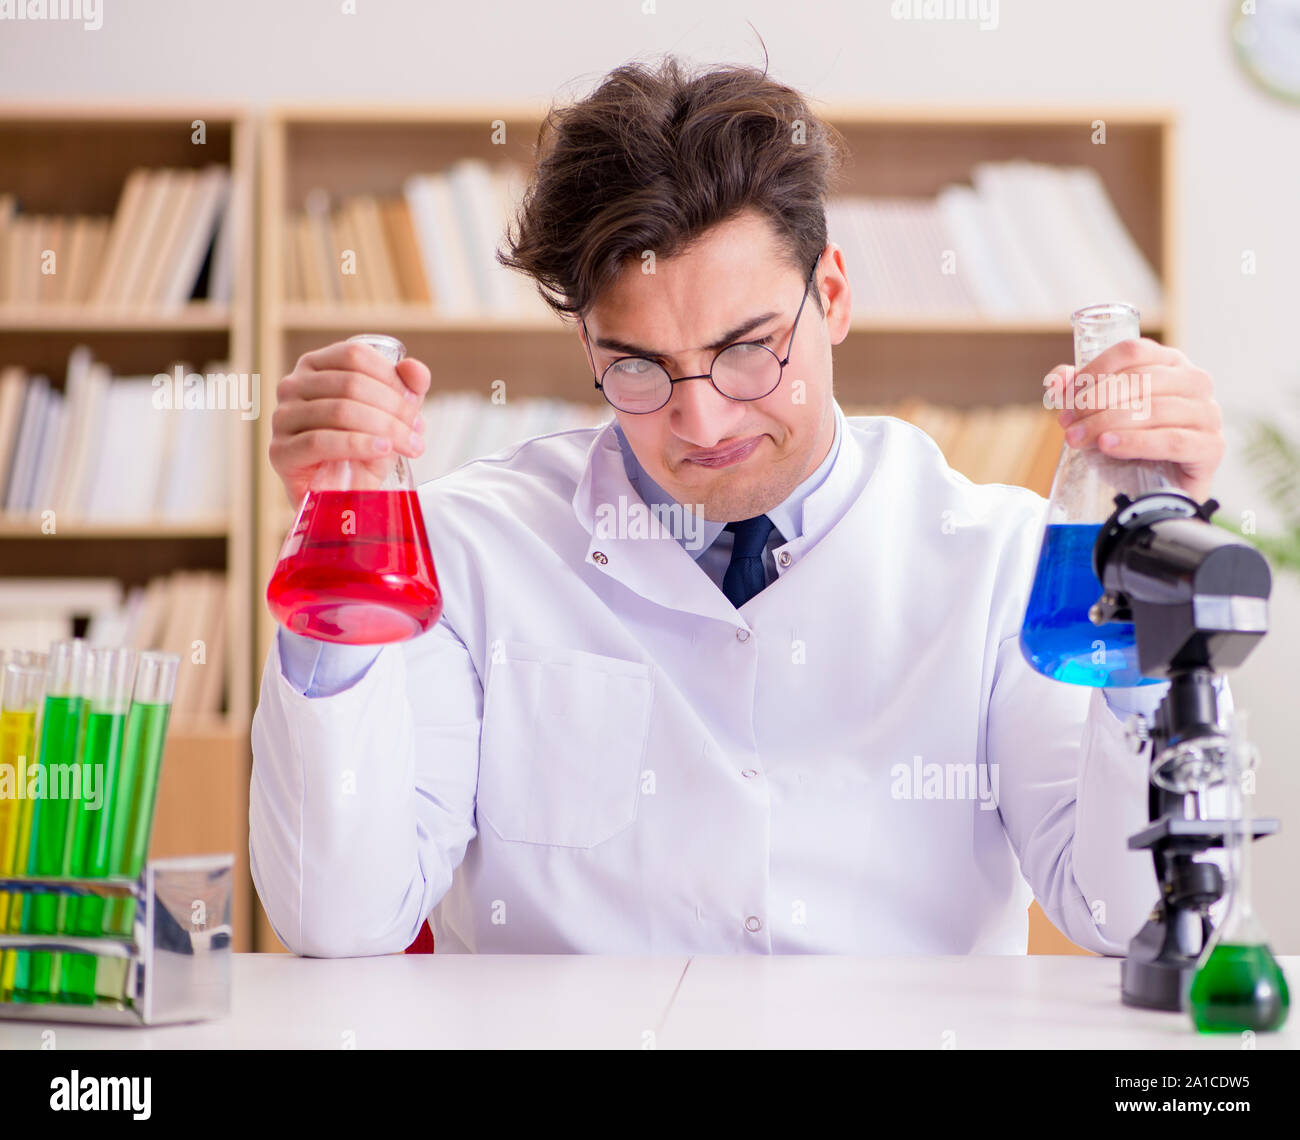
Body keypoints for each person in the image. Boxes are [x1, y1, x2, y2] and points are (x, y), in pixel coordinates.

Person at [251, 56, 1227, 957]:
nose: (699, 416)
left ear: (831, 295)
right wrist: (330, 579)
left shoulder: (993, 555)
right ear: (588, 351)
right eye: (636, 368)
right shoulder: (471, 545)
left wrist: (1153, 569)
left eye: (749, 348)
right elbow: (339, 920)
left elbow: (1129, 915)